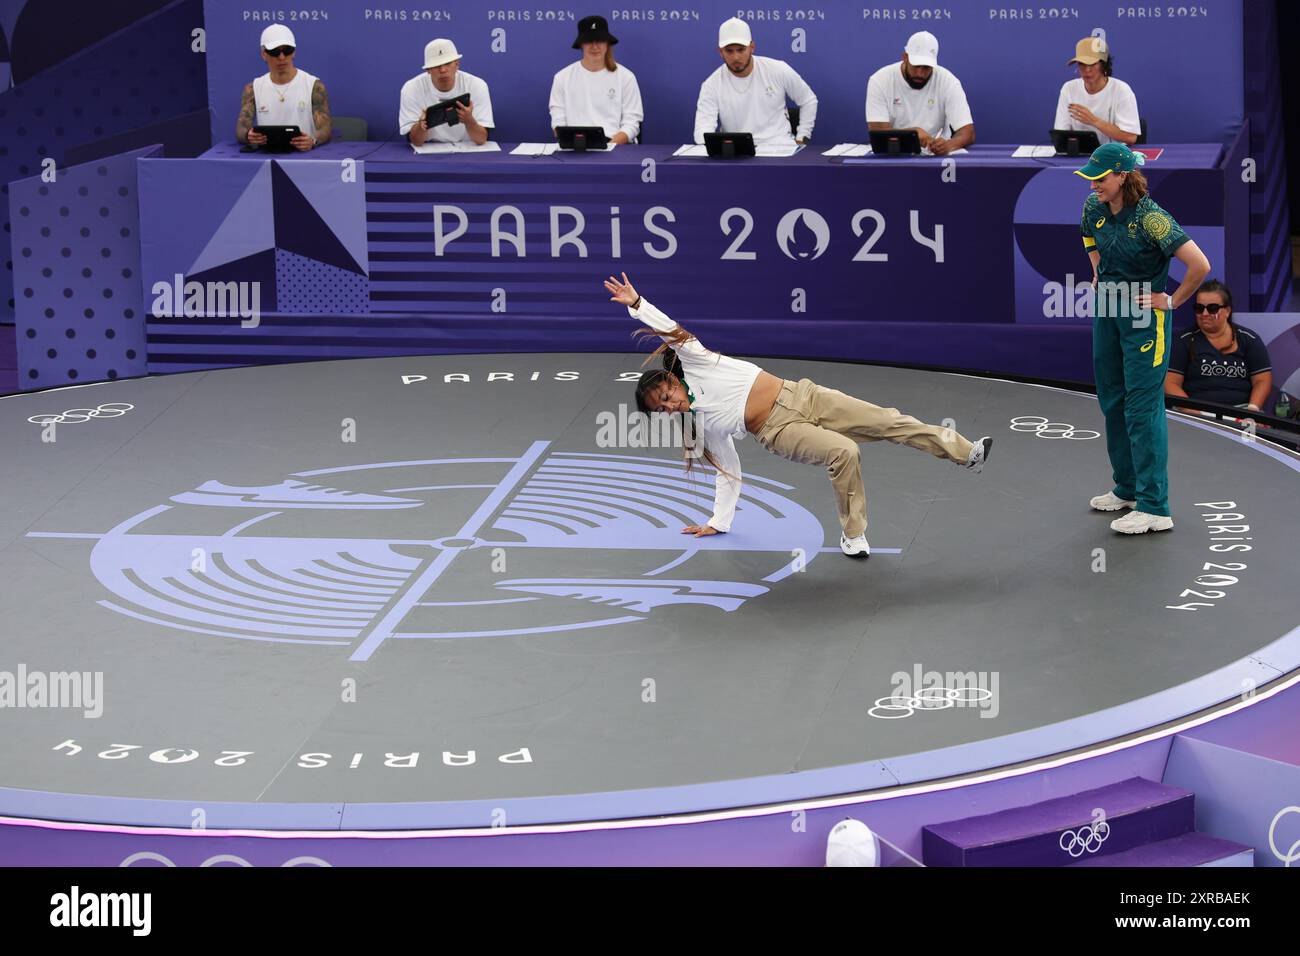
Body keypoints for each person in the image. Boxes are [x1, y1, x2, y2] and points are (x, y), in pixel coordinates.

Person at [603, 273, 991, 558]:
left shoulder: (696, 360)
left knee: (888, 421)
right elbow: (728, 469)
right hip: (778, 429)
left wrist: (637, 304)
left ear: (672, 378)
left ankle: (965, 452)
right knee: (845, 452)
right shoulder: (700, 426)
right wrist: (718, 521)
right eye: (662, 409)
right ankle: (853, 535)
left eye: (666, 395)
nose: (669, 405)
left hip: (803, 394)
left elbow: (671, 330)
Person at [1076, 142, 1211, 534]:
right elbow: (1089, 237)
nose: (1092, 186)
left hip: (1143, 317)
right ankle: (1128, 489)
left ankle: (1155, 506)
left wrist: (1170, 300)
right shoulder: (1093, 208)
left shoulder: (1152, 218)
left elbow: (1199, 265)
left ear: (1122, 176)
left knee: (1142, 406)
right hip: (1107, 310)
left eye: (1099, 179)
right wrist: (1099, 269)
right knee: (1112, 399)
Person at [694, 18, 818, 146]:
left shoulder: (778, 69)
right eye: (729, 51)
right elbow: (702, 129)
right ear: (721, 52)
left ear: (752, 47)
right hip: (737, 154)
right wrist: (711, 146)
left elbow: (808, 100)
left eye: (741, 49)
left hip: (781, 148)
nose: (736, 57)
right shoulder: (711, 84)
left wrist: (802, 137)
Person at [1166, 280, 1272, 412]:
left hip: (1242, 412)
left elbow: (1262, 380)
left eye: (1212, 308)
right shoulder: (1182, 340)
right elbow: (1170, 383)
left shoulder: (1249, 339)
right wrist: (1195, 414)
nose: (1204, 314)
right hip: (1196, 414)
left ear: (1227, 311)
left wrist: (1252, 410)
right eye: (1199, 308)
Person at [865, 31, 974, 156]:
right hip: (893, 156)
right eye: (916, 66)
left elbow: (967, 132)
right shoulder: (880, 80)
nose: (920, 74)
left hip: (935, 157)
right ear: (905, 58)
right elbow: (878, 133)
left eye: (926, 67)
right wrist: (914, 133)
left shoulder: (949, 81)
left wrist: (948, 145)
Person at [548, 16, 642, 145]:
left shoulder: (626, 77)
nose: (595, 46)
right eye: (589, 41)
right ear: (581, 44)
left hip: (615, 148)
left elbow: (632, 123)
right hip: (575, 147)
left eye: (600, 40)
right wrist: (572, 143)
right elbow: (558, 121)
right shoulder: (562, 77)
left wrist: (609, 147)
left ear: (607, 43)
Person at [236, 24, 331, 150]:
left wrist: (313, 140)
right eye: (275, 52)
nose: (282, 57)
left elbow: (325, 127)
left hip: (305, 156)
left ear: (294, 53)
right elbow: (241, 126)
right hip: (267, 157)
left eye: (287, 51)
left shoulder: (314, 86)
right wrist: (248, 136)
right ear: (264, 54)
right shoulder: (253, 88)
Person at [399, 38, 494, 146]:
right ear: (428, 70)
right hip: (429, 151)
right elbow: (416, 141)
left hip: (469, 149)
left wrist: (469, 120)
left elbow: (481, 139)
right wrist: (421, 127)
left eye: (448, 63)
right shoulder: (411, 88)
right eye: (436, 65)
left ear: (457, 64)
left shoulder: (477, 85)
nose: (443, 70)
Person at [1054, 36, 1140, 146]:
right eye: (1082, 64)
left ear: (1104, 65)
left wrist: (1094, 121)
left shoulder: (1121, 90)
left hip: (1112, 157)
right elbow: (1061, 134)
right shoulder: (1069, 88)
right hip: (1078, 158)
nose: (1087, 70)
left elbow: (1130, 137)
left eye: (1092, 64)